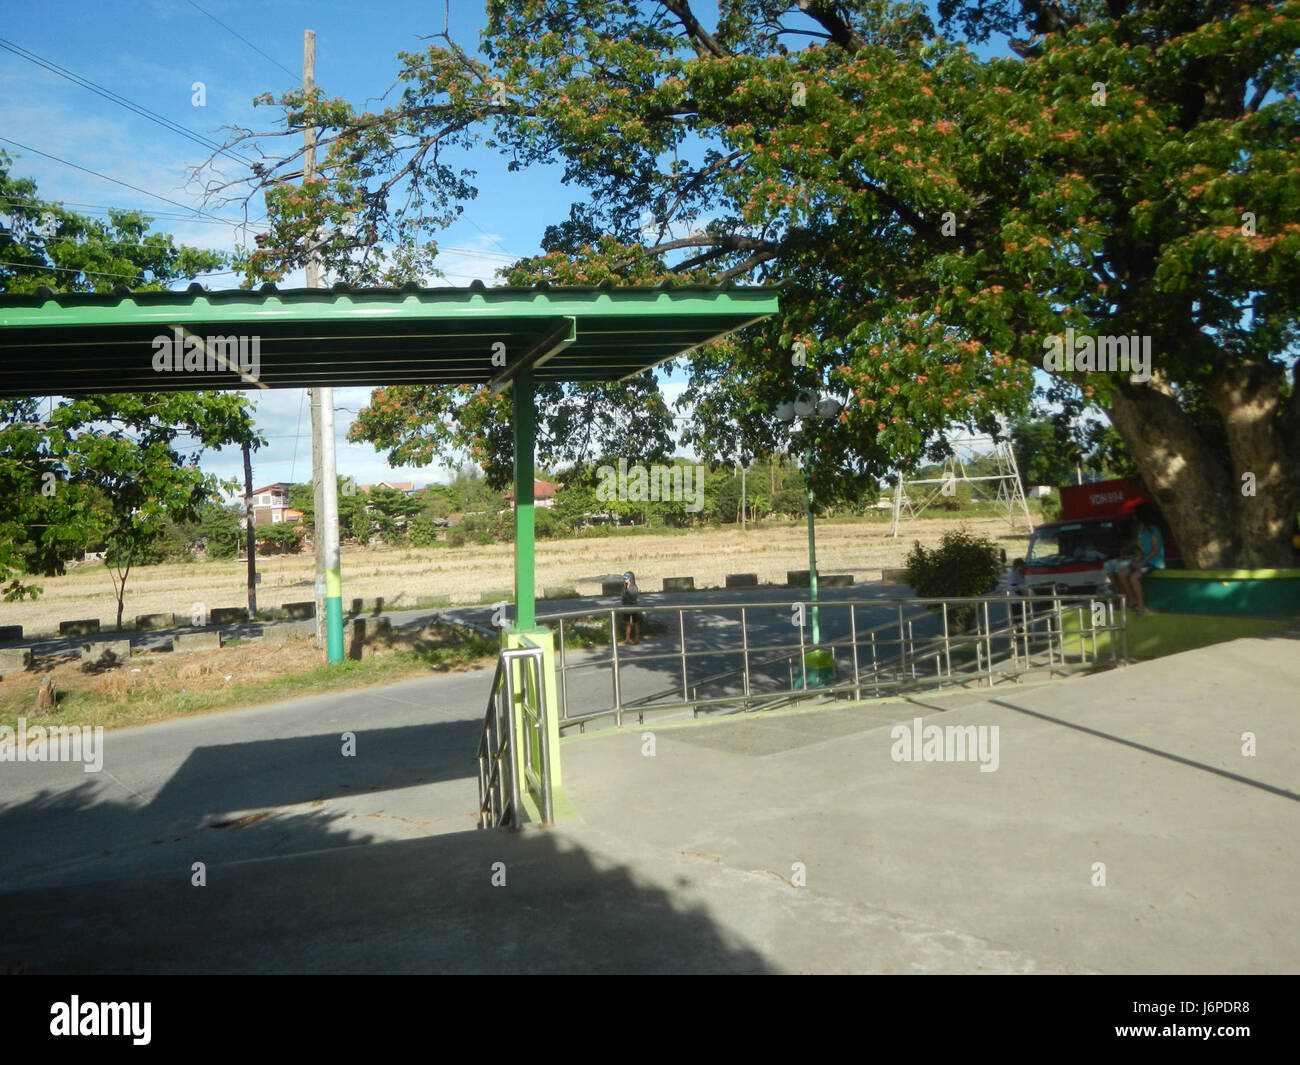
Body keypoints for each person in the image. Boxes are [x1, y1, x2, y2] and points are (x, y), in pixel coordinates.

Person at [1104, 504, 1164, 618]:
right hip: (1143, 560)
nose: (1133, 516)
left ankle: (1142, 606)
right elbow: (1142, 548)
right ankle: (1131, 599)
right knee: (1122, 573)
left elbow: (1156, 550)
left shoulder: (1153, 530)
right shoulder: (1142, 530)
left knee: (1133, 577)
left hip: (1153, 563)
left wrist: (1142, 562)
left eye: (1135, 514)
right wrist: (1136, 558)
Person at [619, 571, 642, 644]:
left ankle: (637, 638)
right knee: (627, 623)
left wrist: (628, 587)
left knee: (636, 623)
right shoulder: (624, 587)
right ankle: (627, 638)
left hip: (633, 606)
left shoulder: (634, 587)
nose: (626, 579)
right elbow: (623, 596)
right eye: (625, 578)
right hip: (626, 606)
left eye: (627, 578)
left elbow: (633, 596)